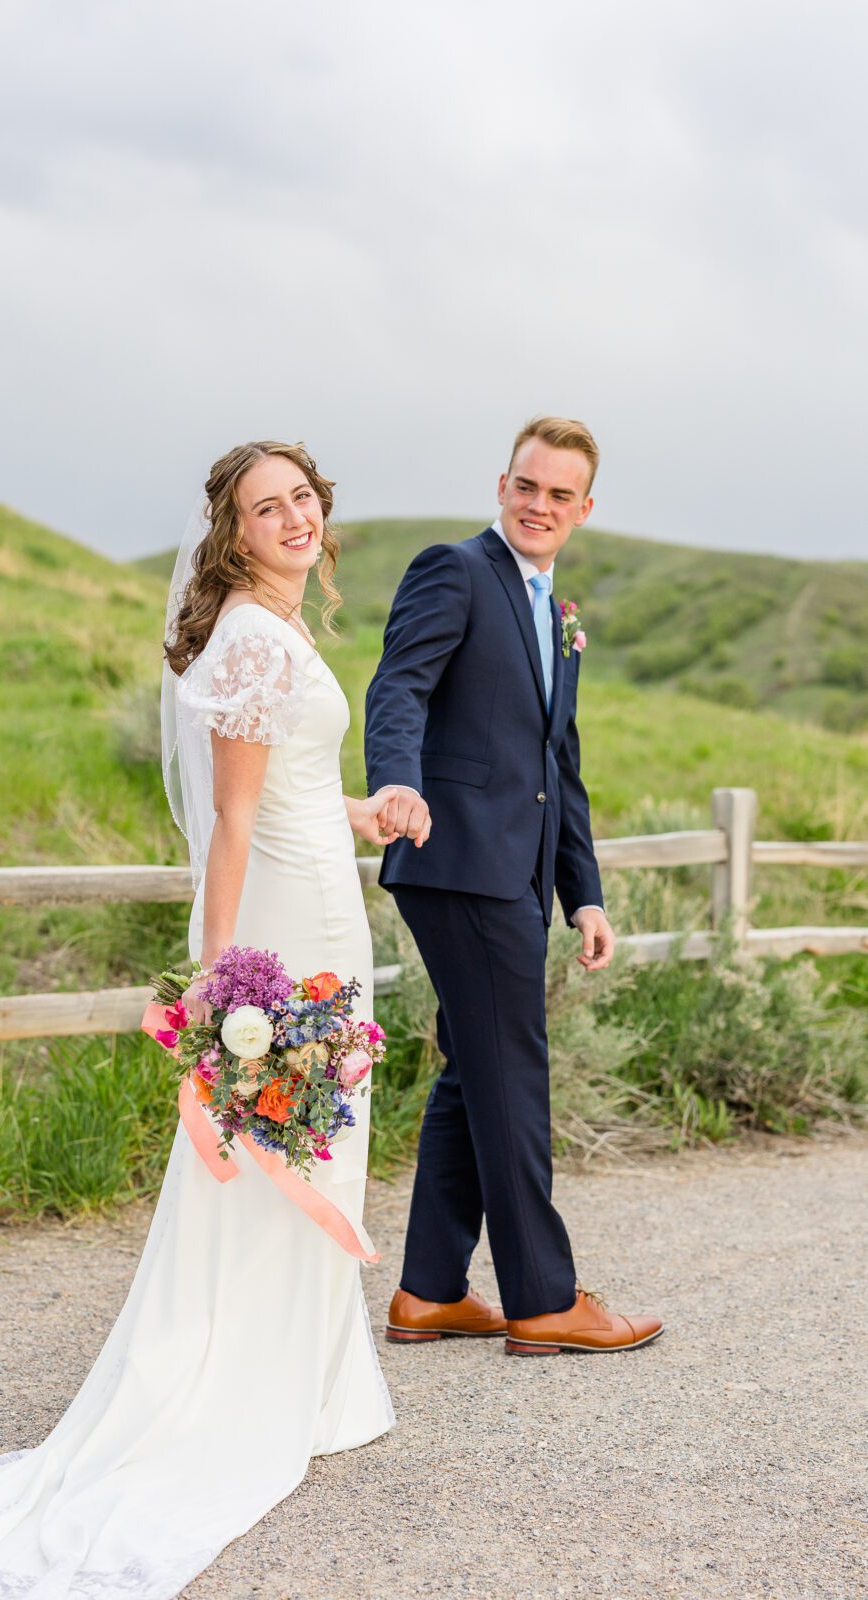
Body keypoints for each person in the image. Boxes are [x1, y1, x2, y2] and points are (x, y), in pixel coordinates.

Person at [0, 440, 402, 1598]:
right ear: (232, 534)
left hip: (325, 915)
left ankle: (311, 1381)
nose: (292, 518)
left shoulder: (273, 631)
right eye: (265, 508)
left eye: (301, 499)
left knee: (309, 1146)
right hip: (284, 937)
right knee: (275, 1148)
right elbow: (231, 824)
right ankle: (250, 1388)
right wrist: (219, 978)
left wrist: (360, 809)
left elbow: (279, 789)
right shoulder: (252, 638)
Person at [364, 415, 663, 1356]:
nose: (539, 505)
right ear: (502, 486)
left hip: (514, 874)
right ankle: (542, 1299)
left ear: (584, 508)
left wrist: (585, 894)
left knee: (477, 1066)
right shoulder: (454, 571)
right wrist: (396, 782)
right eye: (525, 486)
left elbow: (556, 765)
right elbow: (398, 687)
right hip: (455, 857)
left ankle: (428, 1291)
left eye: (558, 495)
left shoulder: (555, 616)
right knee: (513, 1073)